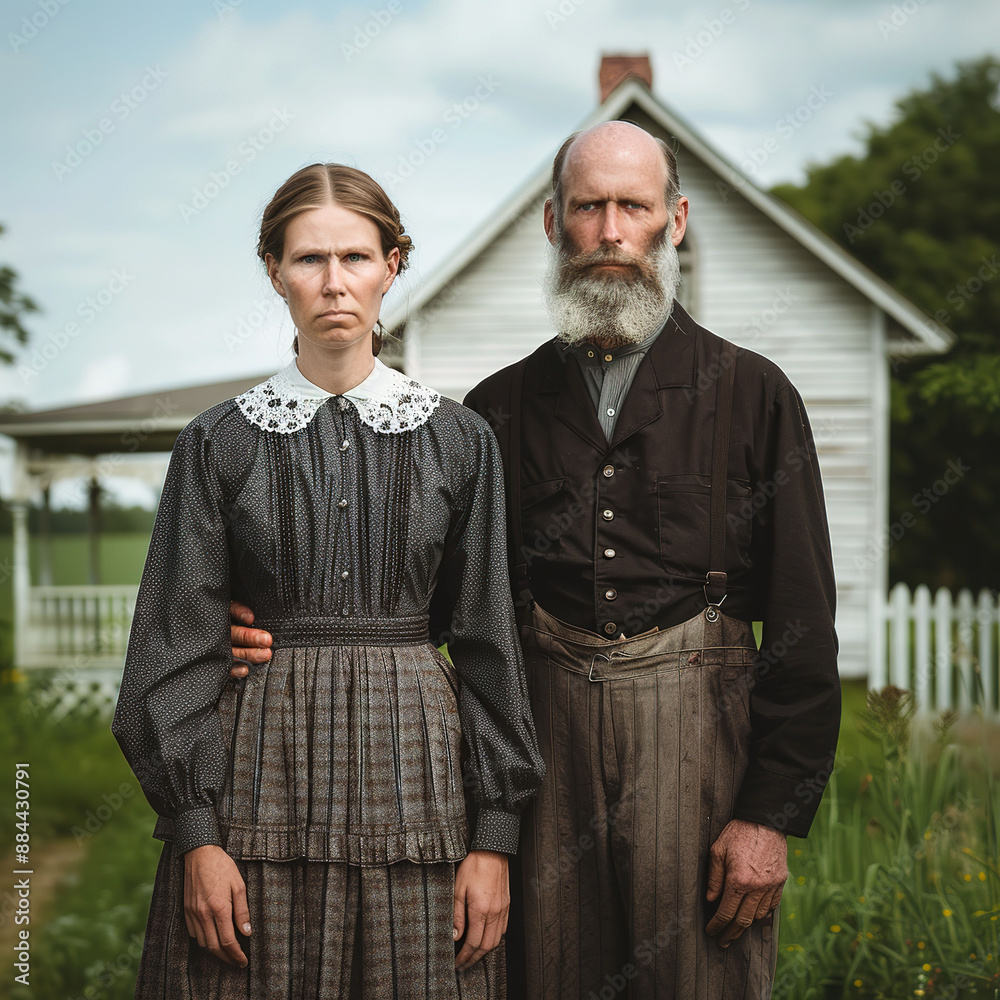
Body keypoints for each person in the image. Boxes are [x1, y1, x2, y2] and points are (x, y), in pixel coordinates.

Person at [231, 122, 841, 999]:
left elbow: (803, 625)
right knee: (539, 976)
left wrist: (767, 817)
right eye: (588, 207)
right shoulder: (497, 410)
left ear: (674, 222)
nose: (610, 230)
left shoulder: (754, 394)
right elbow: (426, 606)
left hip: (702, 750)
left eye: (633, 206)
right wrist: (258, 617)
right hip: (538, 747)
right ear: (554, 225)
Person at [113, 163, 544, 1000]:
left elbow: (492, 644)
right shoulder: (218, 445)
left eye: (356, 256)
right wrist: (197, 834)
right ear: (274, 272)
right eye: (310, 259)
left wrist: (493, 838)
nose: (335, 282)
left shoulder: (461, 442)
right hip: (257, 777)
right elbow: (174, 646)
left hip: (419, 782)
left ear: (393, 265)